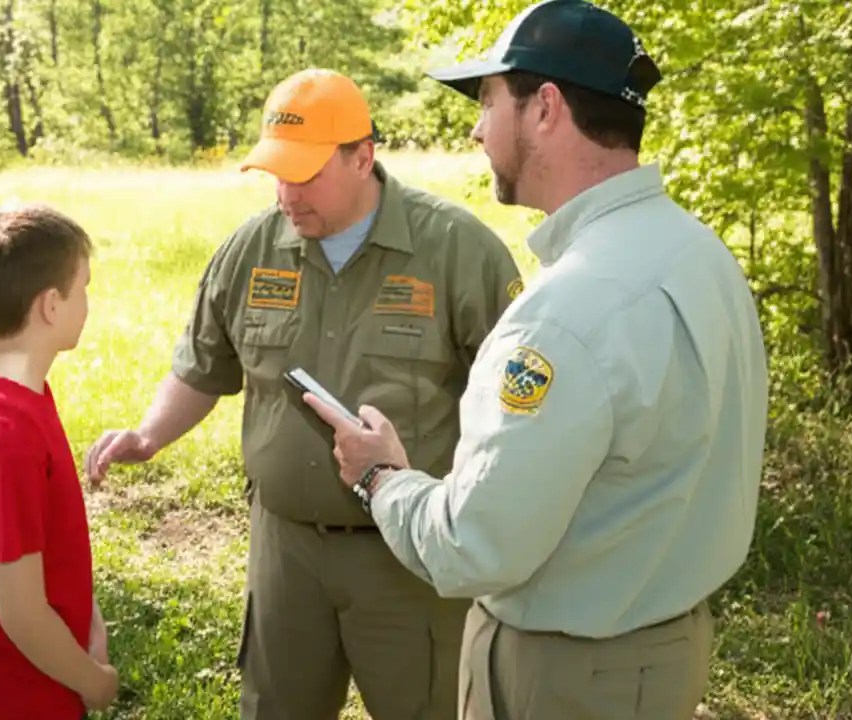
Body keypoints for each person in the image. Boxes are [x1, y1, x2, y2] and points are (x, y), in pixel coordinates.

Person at [302, 2, 770, 718]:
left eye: (488, 101)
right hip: (667, 653)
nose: (476, 127)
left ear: (544, 107)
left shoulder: (563, 314)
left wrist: (380, 477)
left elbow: (472, 547)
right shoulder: (700, 254)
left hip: (566, 675)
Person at [84, 68, 522, 719]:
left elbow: (514, 408)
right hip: (286, 551)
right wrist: (149, 435)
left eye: (307, 173)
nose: (287, 193)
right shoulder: (250, 251)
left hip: (406, 555)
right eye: (277, 174)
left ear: (362, 157)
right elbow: (204, 364)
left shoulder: (458, 251)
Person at [0, 205, 117, 720]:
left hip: (37, 682)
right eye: (83, 288)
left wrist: (90, 620)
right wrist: (96, 681)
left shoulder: (16, 391)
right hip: (20, 696)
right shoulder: (7, 438)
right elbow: (21, 612)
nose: (87, 301)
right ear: (50, 306)